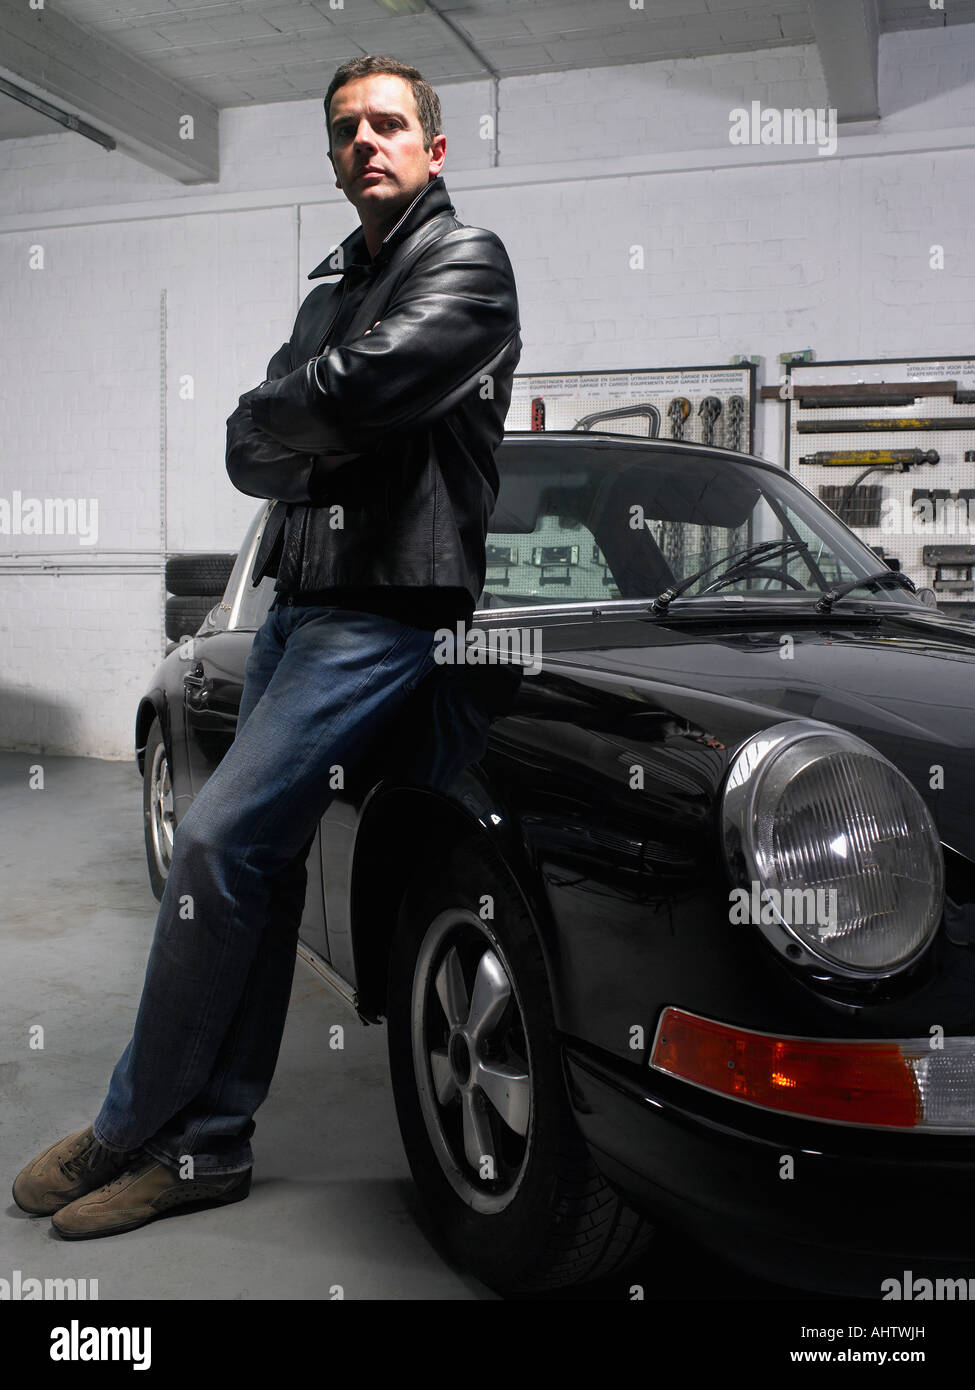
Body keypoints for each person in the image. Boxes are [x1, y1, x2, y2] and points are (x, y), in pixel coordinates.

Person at [12, 53, 522, 1240]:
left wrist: (301, 416)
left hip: (392, 607)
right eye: (347, 128)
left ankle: (127, 1126)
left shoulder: (468, 264)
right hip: (299, 599)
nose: (367, 142)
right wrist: (301, 416)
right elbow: (256, 450)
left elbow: (354, 393)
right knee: (263, 865)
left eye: (390, 124)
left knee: (217, 836)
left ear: (434, 150)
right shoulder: (328, 288)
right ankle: (207, 1150)